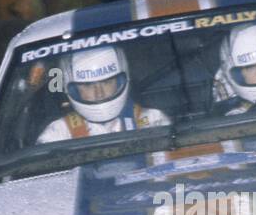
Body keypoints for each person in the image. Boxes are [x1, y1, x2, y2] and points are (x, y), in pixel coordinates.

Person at [36, 45, 169, 143]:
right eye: (88, 85)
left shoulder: (152, 119)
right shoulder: (59, 132)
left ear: (119, 81)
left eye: (106, 82)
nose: (99, 93)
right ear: (73, 89)